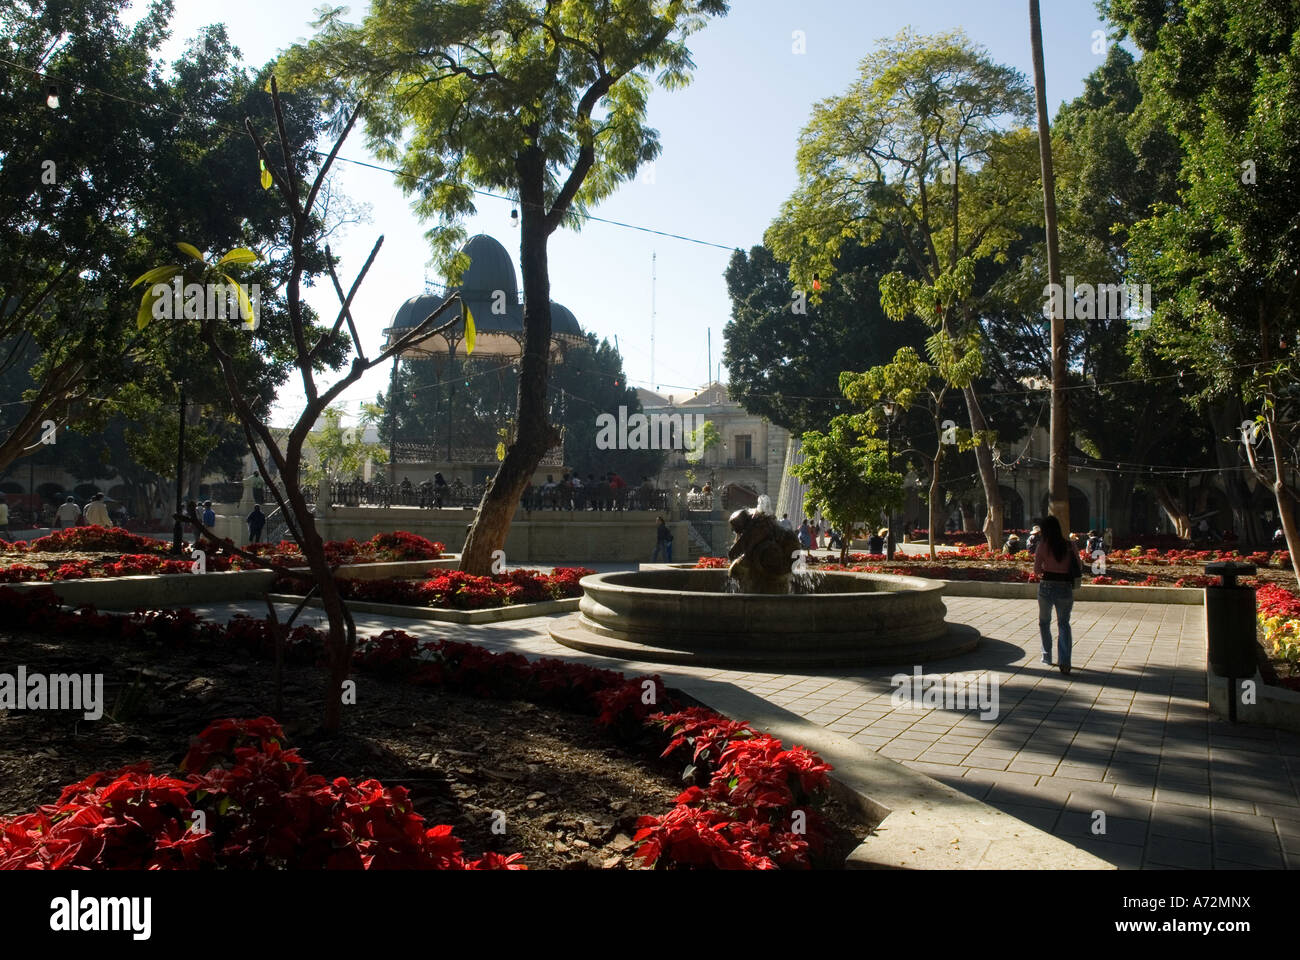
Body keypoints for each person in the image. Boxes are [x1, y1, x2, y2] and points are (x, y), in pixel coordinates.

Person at [1033, 515, 1081, 675]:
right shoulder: (1069, 545)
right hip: (1065, 587)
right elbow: (1078, 566)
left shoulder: (1042, 545)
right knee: (1064, 624)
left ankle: (1046, 656)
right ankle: (1065, 661)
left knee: (1044, 622)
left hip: (1046, 586)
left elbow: (1037, 570)